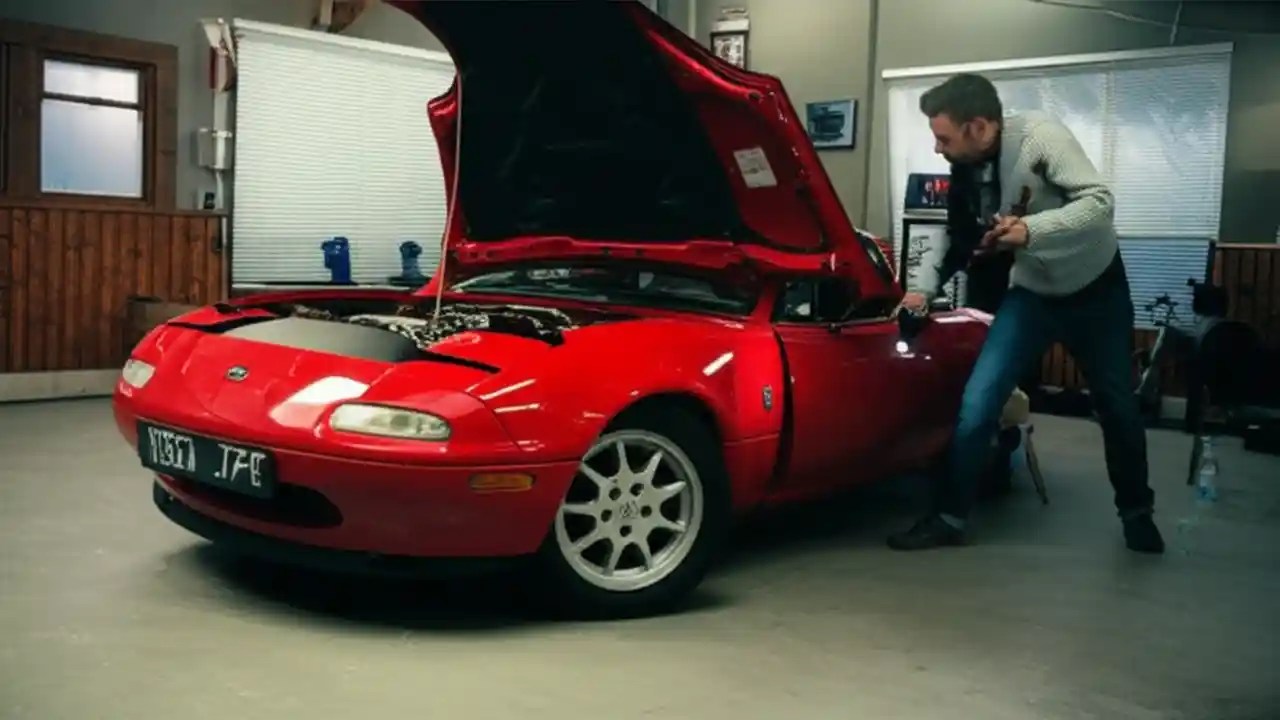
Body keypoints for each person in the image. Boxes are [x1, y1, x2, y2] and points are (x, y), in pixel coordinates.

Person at [888, 73, 1165, 554]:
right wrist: (920, 291)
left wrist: (1032, 231)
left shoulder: (1042, 138)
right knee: (978, 402)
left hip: (1096, 292)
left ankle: (1137, 513)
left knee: (1118, 407)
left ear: (978, 127)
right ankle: (949, 517)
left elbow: (1099, 203)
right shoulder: (965, 170)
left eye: (943, 137)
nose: (937, 148)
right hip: (1033, 294)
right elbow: (958, 240)